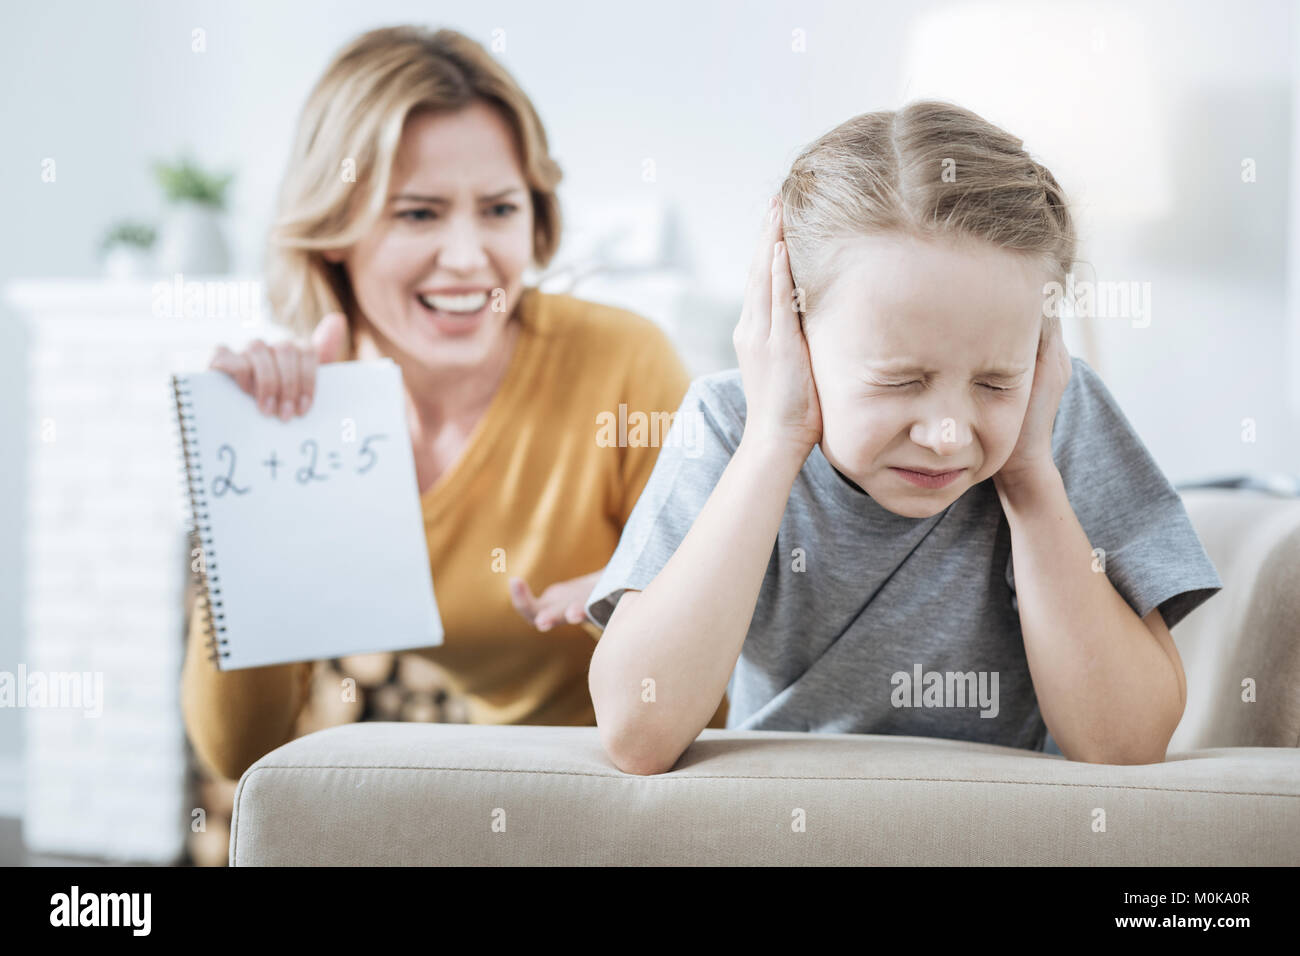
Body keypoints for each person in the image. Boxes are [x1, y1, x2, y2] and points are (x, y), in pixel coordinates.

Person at [586, 101, 1222, 774]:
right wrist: (774, 441)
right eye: (899, 381)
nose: (947, 437)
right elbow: (637, 731)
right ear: (792, 338)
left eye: (995, 383)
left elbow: (1126, 743)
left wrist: (1031, 478)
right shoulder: (730, 424)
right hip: (779, 815)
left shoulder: (1059, 417)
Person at [181, 25, 726, 782]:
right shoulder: (315, 423)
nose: (471, 258)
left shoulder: (624, 365)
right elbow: (242, 751)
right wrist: (251, 486)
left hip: (692, 783)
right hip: (510, 796)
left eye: (500, 209)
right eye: (419, 213)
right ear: (333, 230)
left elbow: (738, 652)